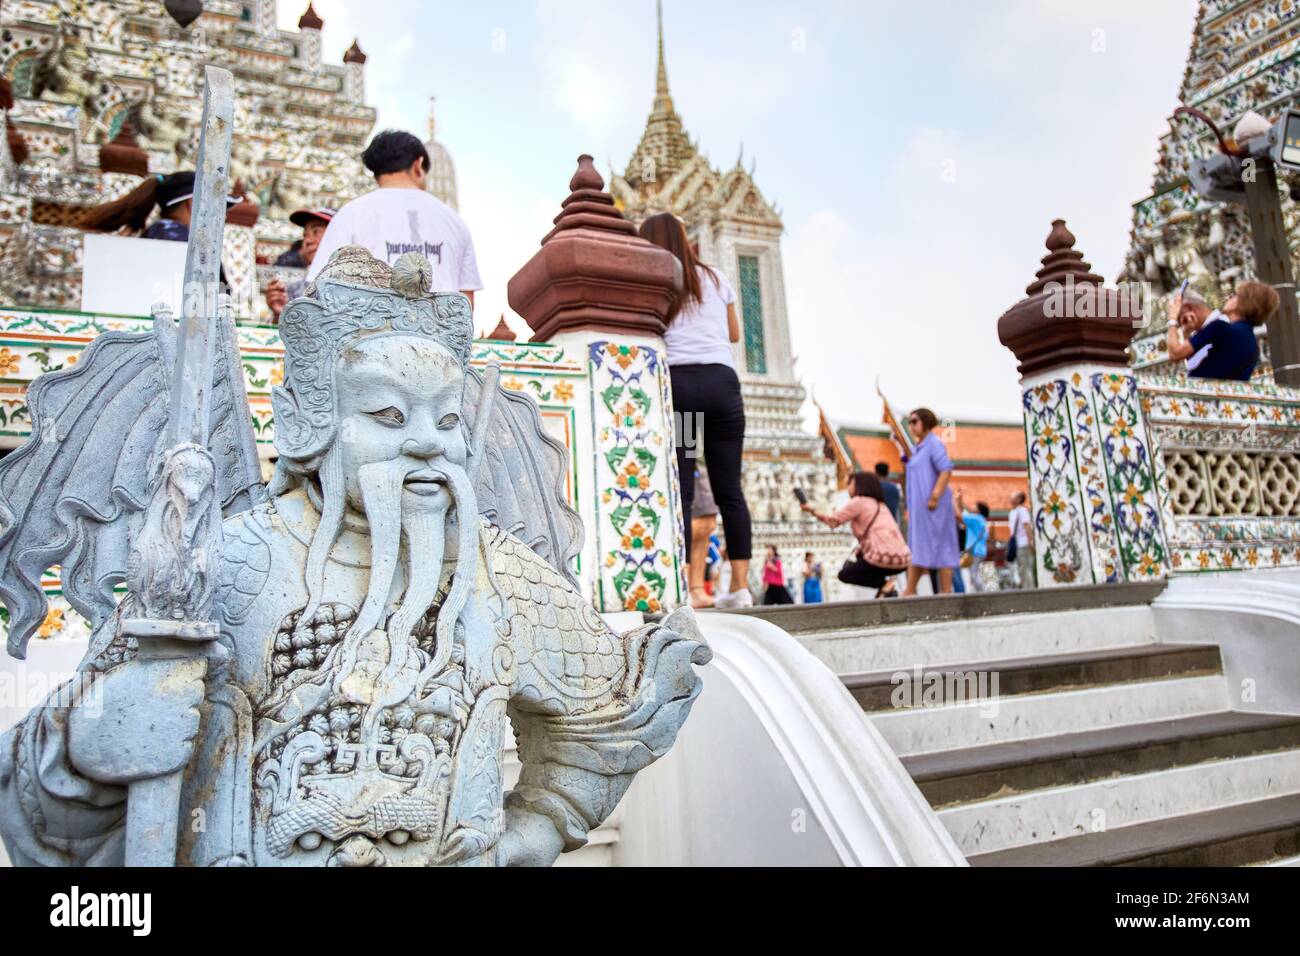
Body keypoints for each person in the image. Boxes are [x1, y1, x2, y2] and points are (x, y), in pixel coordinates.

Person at [639, 212, 754, 609]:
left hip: (683, 391)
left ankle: (687, 586)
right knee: (729, 490)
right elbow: (734, 333)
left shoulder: (657, 280)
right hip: (722, 388)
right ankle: (740, 586)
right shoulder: (717, 278)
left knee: (683, 488)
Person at [308, 130, 482, 306]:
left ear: (375, 170)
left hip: (368, 321)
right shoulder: (454, 221)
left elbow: (319, 287)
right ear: (418, 164)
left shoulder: (350, 214)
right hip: (440, 322)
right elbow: (466, 300)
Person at [803, 471, 909, 598]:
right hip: (903, 560)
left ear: (859, 485)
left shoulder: (859, 502)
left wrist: (812, 510)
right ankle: (886, 589)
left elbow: (833, 521)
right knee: (862, 561)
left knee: (845, 574)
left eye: (850, 483)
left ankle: (885, 584)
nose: (848, 487)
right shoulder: (880, 505)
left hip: (881, 557)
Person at [1165, 282, 1279, 382]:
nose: (1229, 297)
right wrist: (1186, 333)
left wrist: (1172, 319)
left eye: (1235, 295)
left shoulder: (1220, 327)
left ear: (1245, 302)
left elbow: (1175, 354)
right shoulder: (1253, 346)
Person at [900, 407, 959, 596]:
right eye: (909, 422)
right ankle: (910, 589)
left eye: (914, 421)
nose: (911, 426)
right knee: (918, 547)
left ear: (925, 422)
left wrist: (935, 495)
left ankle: (946, 591)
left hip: (935, 506)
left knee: (942, 545)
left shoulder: (934, 444)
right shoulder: (918, 448)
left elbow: (946, 469)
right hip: (919, 509)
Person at [265, 207, 335, 320]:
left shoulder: (356, 288)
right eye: (305, 235)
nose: (307, 241)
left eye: (316, 232)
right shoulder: (293, 291)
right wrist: (280, 314)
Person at [686, 463, 720, 608]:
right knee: (698, 523)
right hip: (687, 460)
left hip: (697, 462)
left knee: (706, 523)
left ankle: (695, 588)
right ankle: (686, 587)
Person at [956, 492, 990, 592]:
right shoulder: (979, 519)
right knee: (973, 575)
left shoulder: (976, 519)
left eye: (975, 506)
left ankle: (984, 594)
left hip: (975, 551)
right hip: (978, 550)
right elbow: (964, 510)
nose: (972, 507)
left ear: (978, 510)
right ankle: (979, 593)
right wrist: (960, 500)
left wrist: (955, 502)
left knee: (974, 575)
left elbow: (959, 515)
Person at [1008, 491, 1036, 588]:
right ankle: (1027, 587)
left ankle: (1029, 589)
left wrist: (1030, 540)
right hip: (1017, 543)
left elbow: (1026, 525)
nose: (1010, 498)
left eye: (1013, 496)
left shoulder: (1022, 510)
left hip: (1023, 543)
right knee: (1021, 567)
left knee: (1024, 567)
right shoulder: (1013, 512)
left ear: (1019, 499)